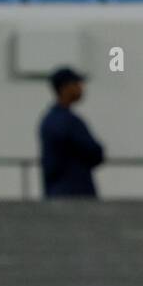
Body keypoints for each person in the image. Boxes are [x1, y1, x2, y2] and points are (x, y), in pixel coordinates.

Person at [38, 66, 104, 198]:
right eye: (76, 83)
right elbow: (94, 152)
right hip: (75, 193)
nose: (81, 88)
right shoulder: (68, 121)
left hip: (56, 192)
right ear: (64, 88)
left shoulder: (49, 119)